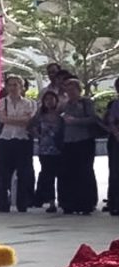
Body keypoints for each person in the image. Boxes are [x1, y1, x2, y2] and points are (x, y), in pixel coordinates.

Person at [0, 75, 36, 213]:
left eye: (16, 85)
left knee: (24, 173)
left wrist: (10, 119)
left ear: (22, 87)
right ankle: (2, 203)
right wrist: (18, 119)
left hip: (22, 140)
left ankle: (22, 203)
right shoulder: (2, 102)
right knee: (3, 174)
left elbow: (27, 121)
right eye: (10, 85)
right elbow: (2, 119)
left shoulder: (29, 103)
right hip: (5, 140)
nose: (13, 88)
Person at [58, 78, 99, 215]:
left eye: (73, 89)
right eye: (67, 90)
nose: (70, 92)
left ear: (78, 90)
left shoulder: (86, 102)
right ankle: (69, 203)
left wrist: (76, 121)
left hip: (84, 140)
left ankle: (87, 203)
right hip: (68, 142)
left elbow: (93, 118)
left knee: (85, 172)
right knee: (68, 173)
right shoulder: (65, 104)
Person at [31, 91, 64, 213]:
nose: (49, 101)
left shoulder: (61, 115)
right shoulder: (40, 116)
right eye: (47, 99)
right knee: (48, 176)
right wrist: (38, 135)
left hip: (59, 148)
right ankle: (51, 202)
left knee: (61, 175)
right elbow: (31, 126)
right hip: (45, 149)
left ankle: (63, 200)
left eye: (52, 99)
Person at [105, 78, 119, 216]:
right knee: (115, 173)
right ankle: (115, 203)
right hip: (116, 140)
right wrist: (116, 133)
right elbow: (111, 121)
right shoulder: (115, 104)